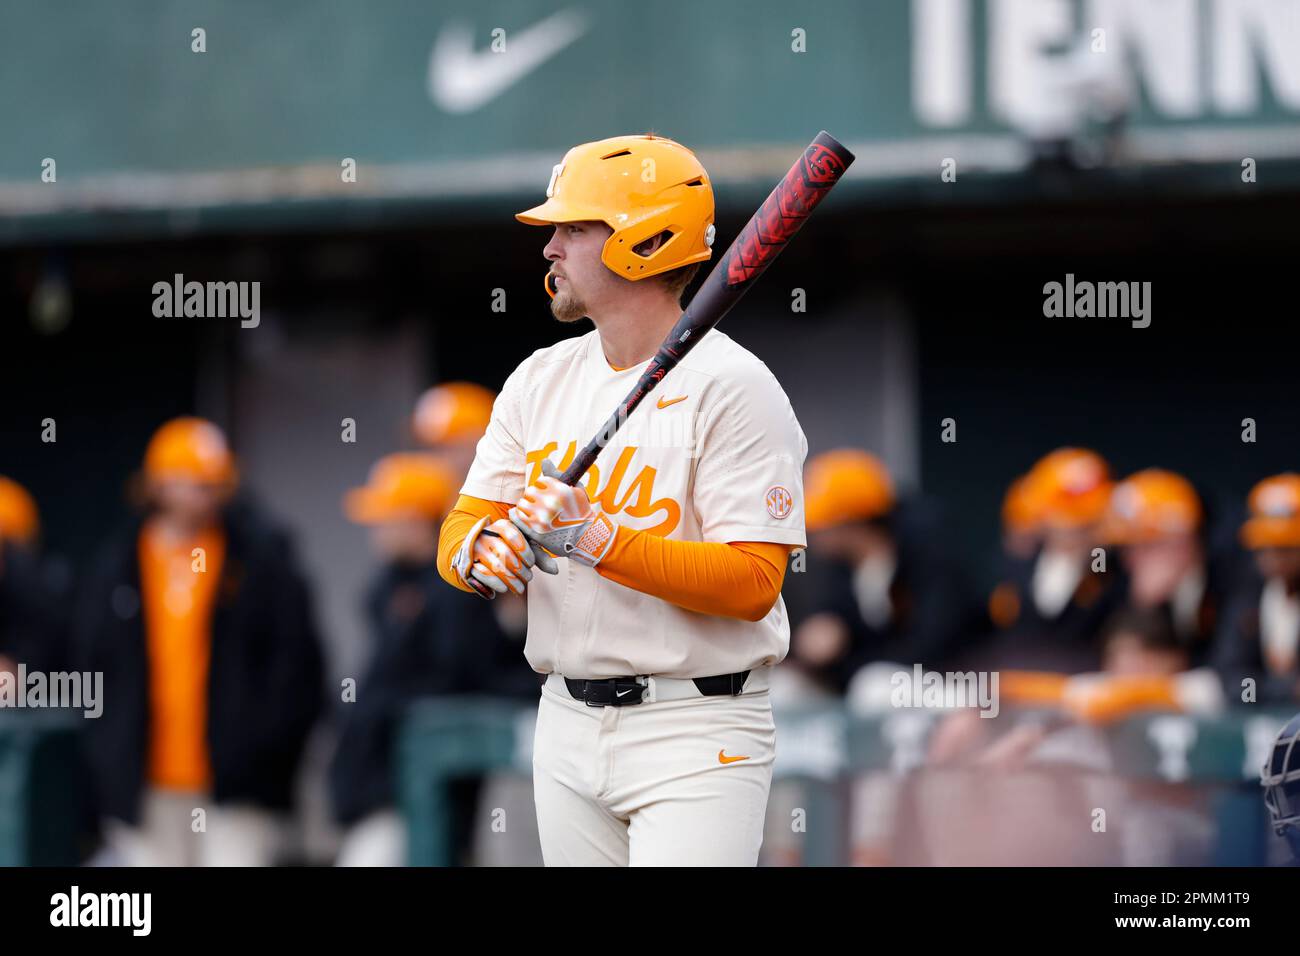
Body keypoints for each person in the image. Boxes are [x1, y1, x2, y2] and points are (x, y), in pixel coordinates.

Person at [436, 133, 807, 866]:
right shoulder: (538, 379)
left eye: (575, 228)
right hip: (565, 718)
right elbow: (459, 532)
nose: (550, 248)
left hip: (697, 724)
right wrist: (486, 555)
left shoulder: (734, 385)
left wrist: (598, 541)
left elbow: (753, 584)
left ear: (644, 241)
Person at [73, 417, 326, 866]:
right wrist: (108, 752)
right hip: (144, 783)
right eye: (194, 484)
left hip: (234, 784)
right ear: (158, 485)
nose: (206, 496)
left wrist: (265, 749)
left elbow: (299, 665)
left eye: (214, 484)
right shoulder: (120, 564)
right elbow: (93, 664)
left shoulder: (258, 558)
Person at [331, 453, 539, 866]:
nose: (377, 529)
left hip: (430, 791)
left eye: (387, 517)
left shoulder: (456, 588)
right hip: (386, 784)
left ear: (415, 521)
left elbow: (463, 676)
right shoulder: (390, 587)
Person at [1099, 468, 1223, 665]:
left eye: (1146, 546)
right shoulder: (1117, 578)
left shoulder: (1228, 581)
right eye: (1127, 548)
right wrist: (1143, 609)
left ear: (1183, 542)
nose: (1130, 560)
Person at [1212, 474, 1300, 706]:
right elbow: (1230, 679)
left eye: (1286, 548)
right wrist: (1288, 690)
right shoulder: (1250, 594)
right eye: (1264, 548)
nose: (1273, 559)